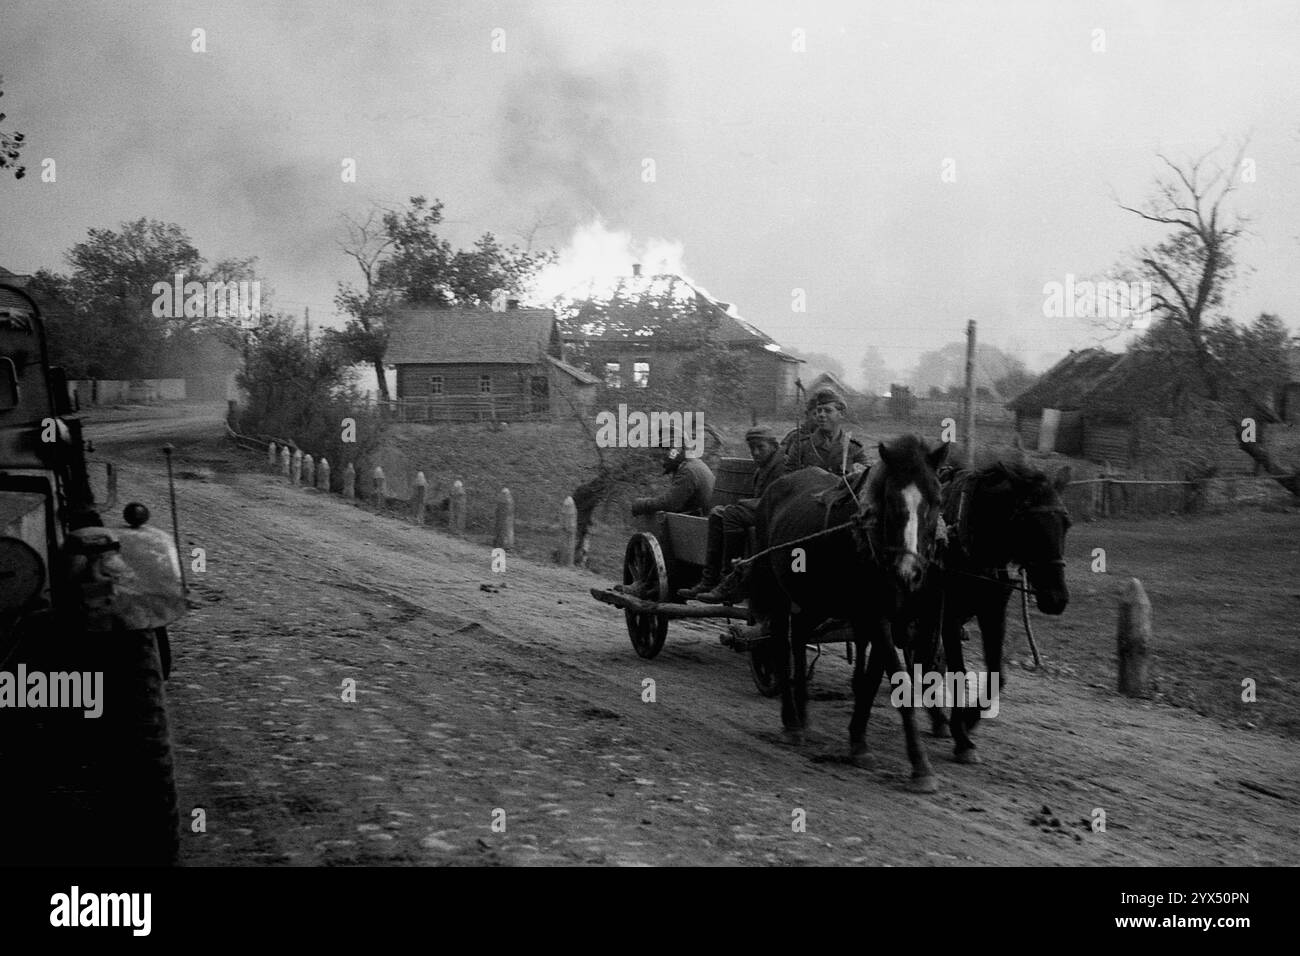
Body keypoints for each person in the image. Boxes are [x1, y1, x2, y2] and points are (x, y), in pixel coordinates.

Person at [679, 426, 787, 602]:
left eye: (761, 447)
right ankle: (709, 579)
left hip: (776, 513)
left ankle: (730, 579)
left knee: (731, 514)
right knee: (716, 514)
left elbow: (773, 499)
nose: (756, 453)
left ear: (773, 446)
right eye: (752, 448)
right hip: (764, 510)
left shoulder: (781, 466)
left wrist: (742, 504)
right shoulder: (765, 466)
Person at [784, 388, 869, 476]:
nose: (821, 415)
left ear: (841, 414)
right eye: (819, 410)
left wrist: (858, 472)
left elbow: (866, 478)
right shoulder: (802, 445)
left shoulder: (853, 449)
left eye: (828, 411)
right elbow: (788, 480)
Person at [630, 444, 715, 517]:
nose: (662, 459)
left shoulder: (688, 471)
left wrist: (641, 504)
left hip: (695, 524)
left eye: (665, 451)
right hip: (699, 519)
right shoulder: (696, 465)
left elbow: (670, 503)